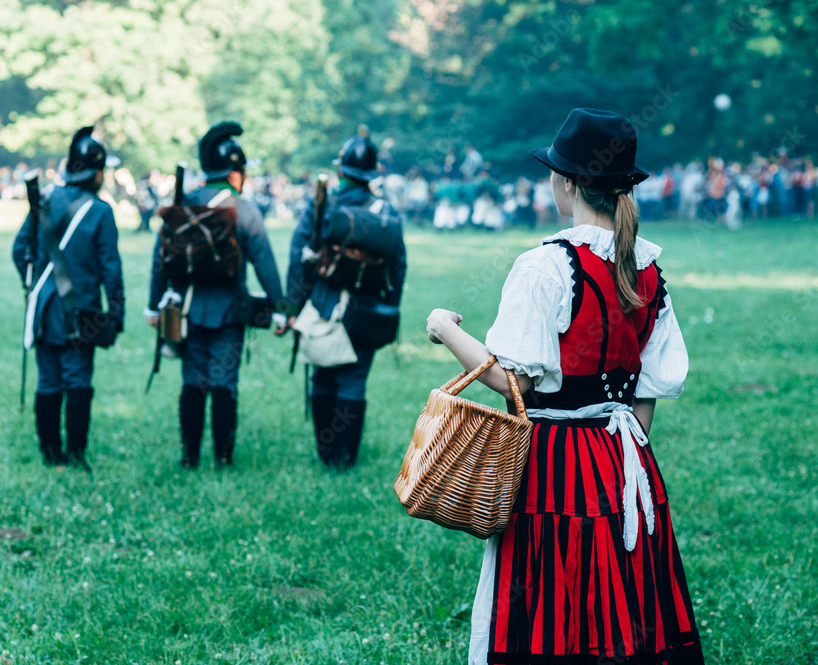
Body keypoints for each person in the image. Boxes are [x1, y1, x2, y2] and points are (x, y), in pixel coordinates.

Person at [425, 109, 703, 665]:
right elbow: (646, 393)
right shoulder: (647, 270)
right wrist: (616, 457)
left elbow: (513, 381)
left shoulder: (545, 266)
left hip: (554, 463)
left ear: (567, 183)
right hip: (627, 460)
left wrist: (444, 329)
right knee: (619, 594)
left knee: (551, 595)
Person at [145, 121, 284, 469]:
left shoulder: (184, 204)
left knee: (192, 381)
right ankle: (222, 458)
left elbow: (161, 259)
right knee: (224, 383)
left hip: (186, 310)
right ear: (235, 174)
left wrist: (153, 305)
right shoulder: (244, 209)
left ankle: (189, 456)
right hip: (229, 311)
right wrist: (282, 308)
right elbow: (264, 262)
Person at [280, 132, 407, 469]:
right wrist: (389, 308)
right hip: (367, 310)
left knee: (322, 375)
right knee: (354, 380)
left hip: (324, 304)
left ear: (341, 170)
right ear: (372, 174)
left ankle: (327, 454)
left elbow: (298, 257)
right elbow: (398, 267)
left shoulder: (322, 207)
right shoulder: (387, 212)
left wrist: (293, 308)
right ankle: (345, 458)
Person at [13, 126, 125, 473]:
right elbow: (111, 270)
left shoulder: (45, 200)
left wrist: (33, 286)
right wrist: (116, 314)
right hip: (83, 313)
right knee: (77, 381)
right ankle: (75, 455)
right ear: (96, 173)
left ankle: (51, 455)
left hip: (45, 310)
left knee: (48, 380)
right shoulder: (101, 211)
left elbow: (20, 250)